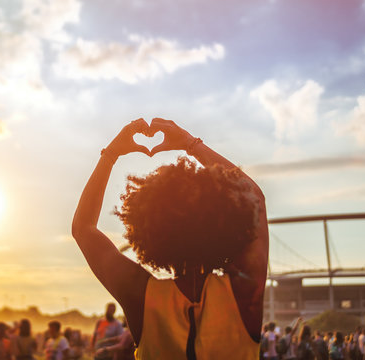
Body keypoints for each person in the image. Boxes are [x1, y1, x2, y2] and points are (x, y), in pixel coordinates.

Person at [72, 118, 268, 359]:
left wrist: (111, 154)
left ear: (149, 231)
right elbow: (255, 198)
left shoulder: (142, 296)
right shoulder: (243, 294)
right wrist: (190, 144)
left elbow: (83, 229)